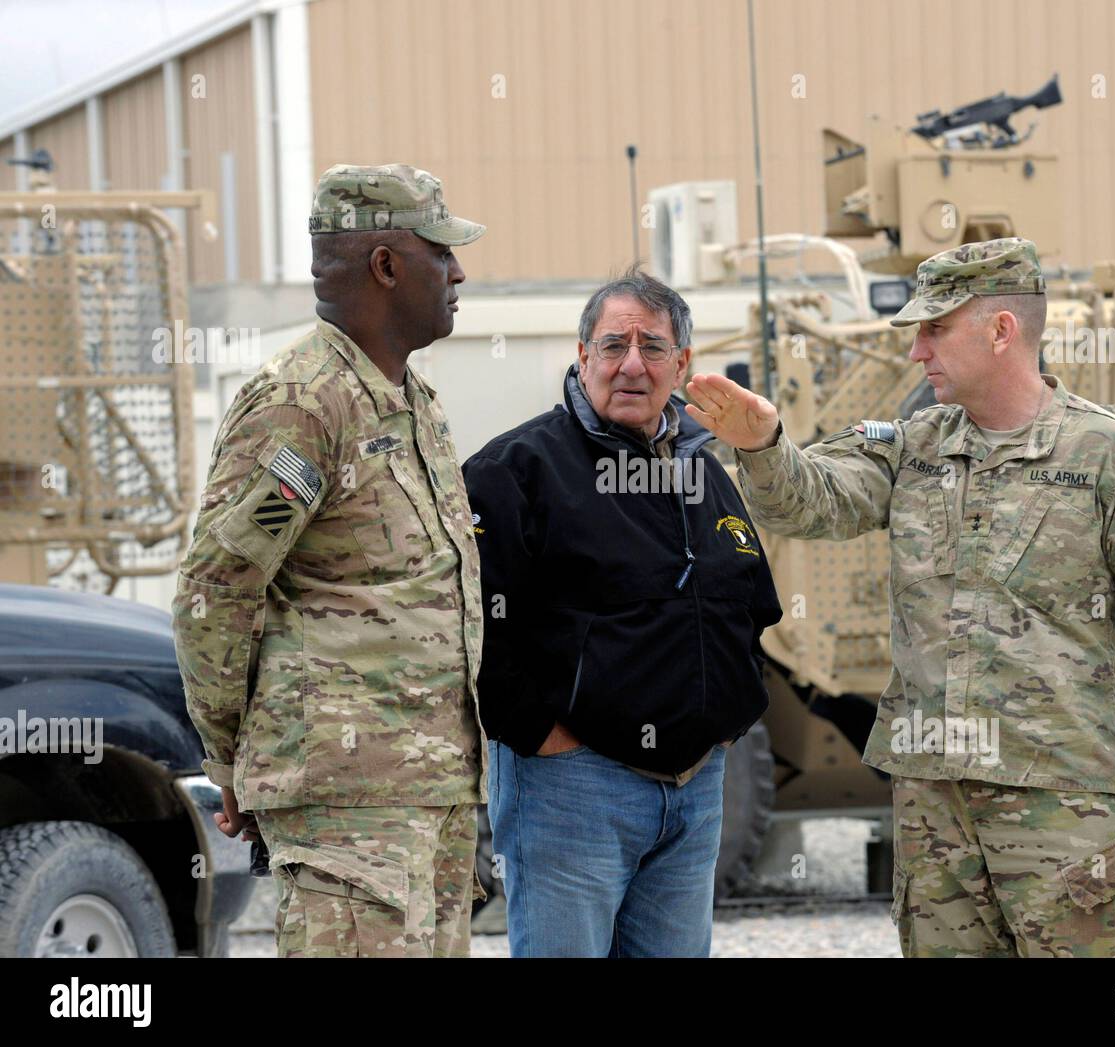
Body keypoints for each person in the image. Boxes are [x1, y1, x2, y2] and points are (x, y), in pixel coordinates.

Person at [686, 238, 1115, 958]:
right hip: (933, 807)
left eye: (935, 328)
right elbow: (812, 502)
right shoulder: (915, 445)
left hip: (1061, 806)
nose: (918, 351)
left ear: (1000, 331)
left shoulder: (1108, 457)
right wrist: (761, 444)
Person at [172, 163, 488, 957]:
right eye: (439, 252)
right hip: (347, 809)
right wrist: (229, 759)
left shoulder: (410, 400)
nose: (458, 272)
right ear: (385, 266)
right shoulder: (305, 405)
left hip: (431, 798)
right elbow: (217, 588)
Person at [463, 270, 782, 957]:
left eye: (653, 347)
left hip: (695, 794)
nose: (632, 364)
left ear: (682, 366)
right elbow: (476, 631)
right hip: (574, 788)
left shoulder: (706, 472)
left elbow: (750, 603)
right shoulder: (515, 470)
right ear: (582, 358)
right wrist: (544, 737)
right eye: (613, 345)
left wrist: (723, 727)